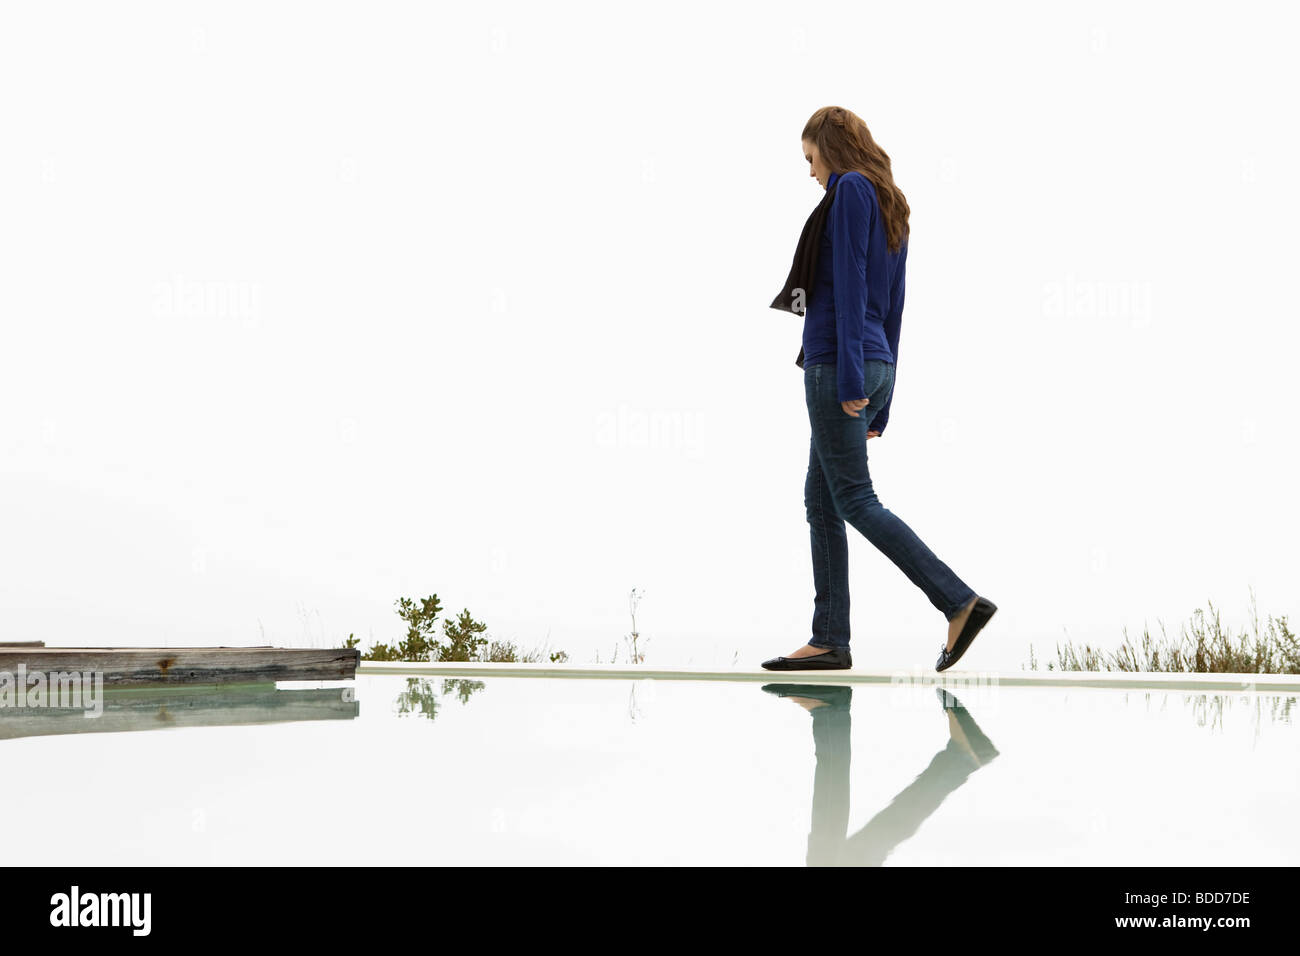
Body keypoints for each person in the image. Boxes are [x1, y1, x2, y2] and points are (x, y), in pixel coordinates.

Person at [761, 106, 996, 673]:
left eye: (811, 158)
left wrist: (846, 378)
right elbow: (893, 305)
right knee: (823, 501)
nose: (810, 172)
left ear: (829, 148)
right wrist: (882, 394)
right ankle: (829, 638)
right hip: (874, 359)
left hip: (838, 361)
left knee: (854, 500)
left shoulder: (848, 192)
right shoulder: (891, 201)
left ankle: (958, 601)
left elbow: (849, 286)